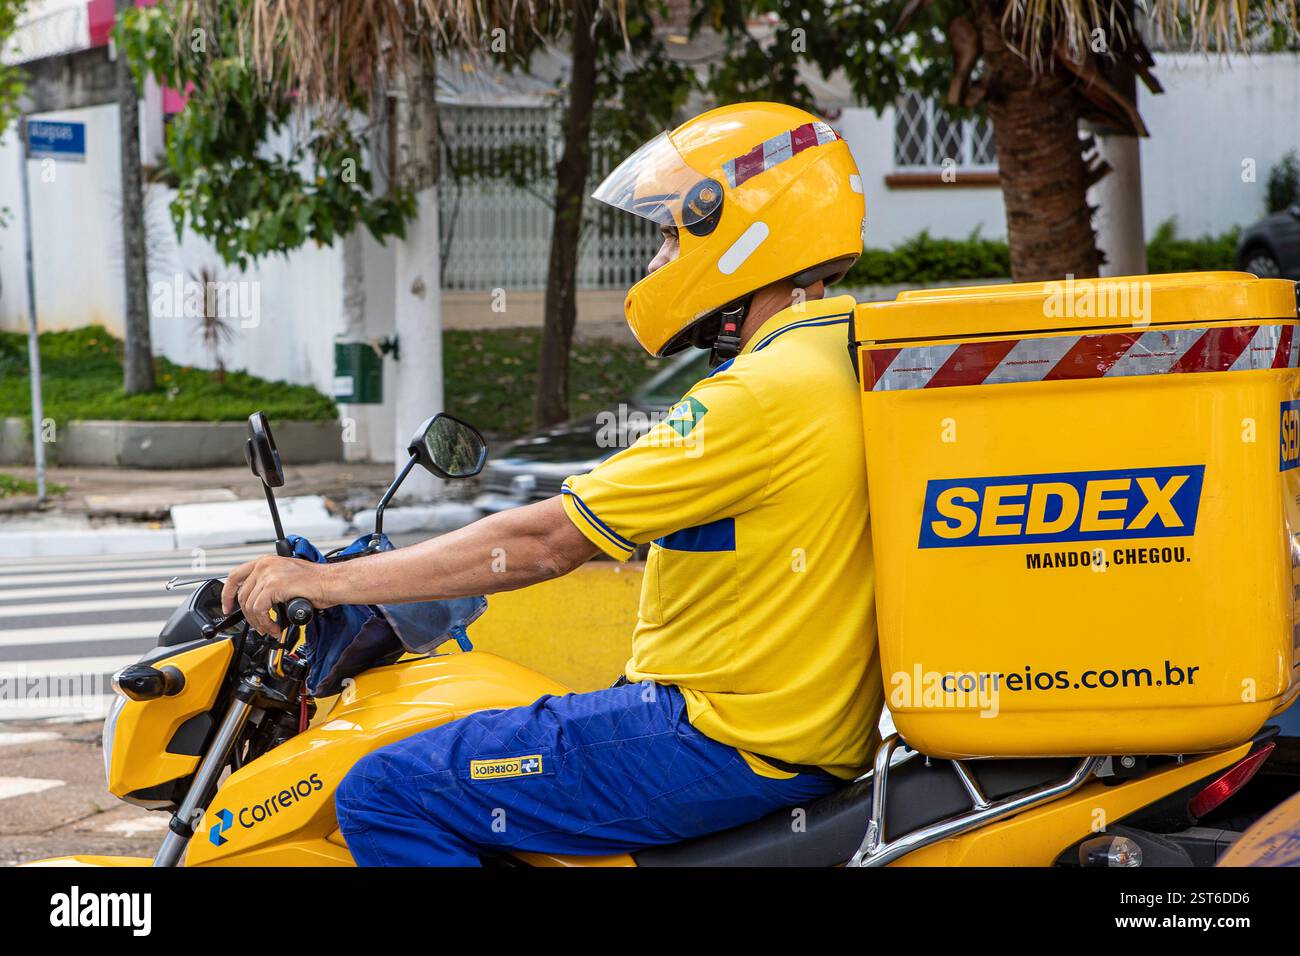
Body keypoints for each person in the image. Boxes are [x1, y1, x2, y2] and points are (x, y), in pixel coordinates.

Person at [221, 102, 882, 866]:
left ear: (738, 231)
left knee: (387, 790)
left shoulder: (758, 394)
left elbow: (543, 542)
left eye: (670, 234)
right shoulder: (843, 355)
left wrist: (322, 581)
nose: (658, 259)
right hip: (787, 729)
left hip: (720, 738)